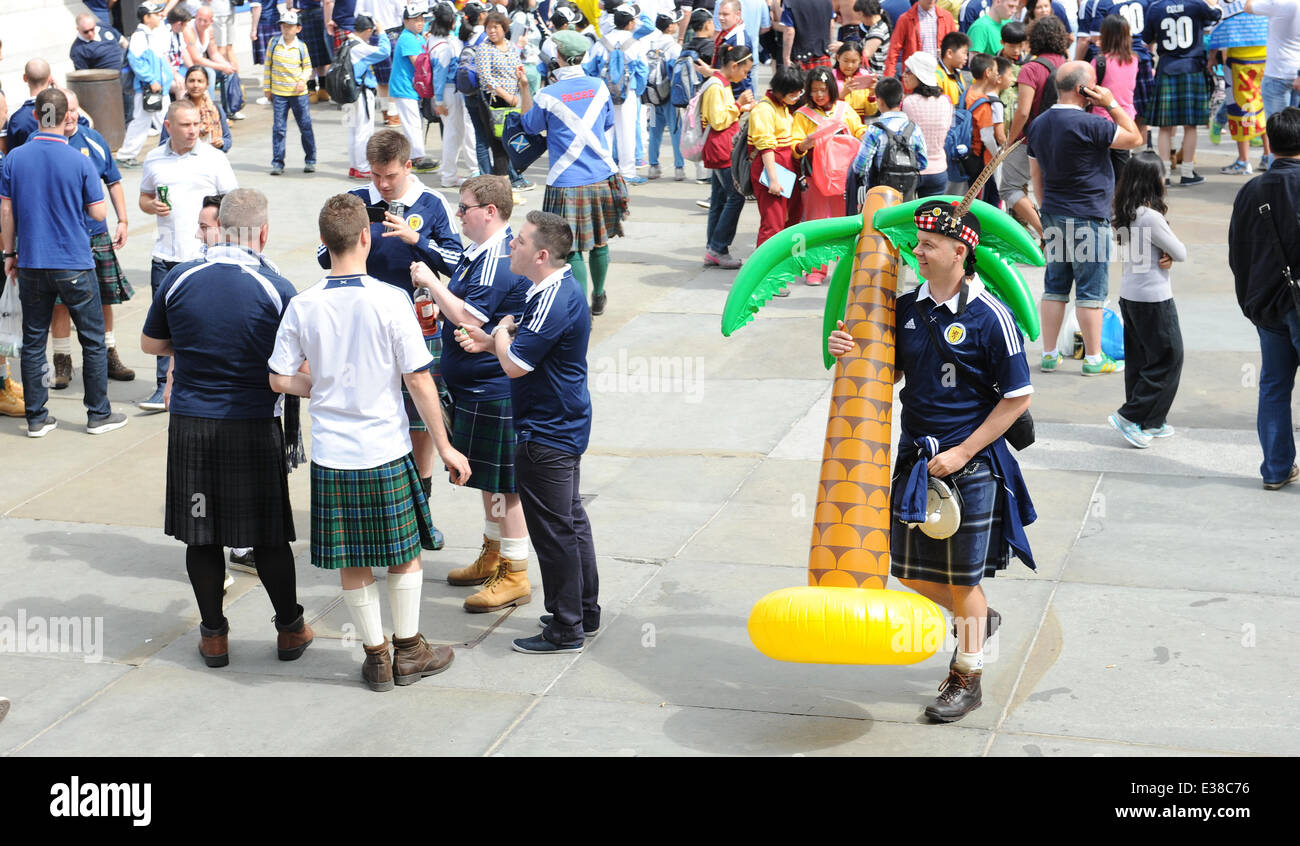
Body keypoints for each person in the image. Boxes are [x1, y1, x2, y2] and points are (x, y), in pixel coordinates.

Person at [828, 196, 1036, 723]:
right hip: (915, 460)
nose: (917, 253)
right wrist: (852, 349)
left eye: (929, 245)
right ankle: (978, 620)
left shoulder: (992, 317)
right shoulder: (907, 310)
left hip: (969, 463)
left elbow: (1018, 397)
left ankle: (967, 676)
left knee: (963, 582)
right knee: (906, 570)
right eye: (918, 244)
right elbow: (893, 374)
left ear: (961, 251)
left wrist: (964, 451)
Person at [270, 193, 470, 691]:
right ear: (366, 237)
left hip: (334, 455)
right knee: (404, 553)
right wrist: (445, 446)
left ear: (323, 242)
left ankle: (376, 657)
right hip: (385, 447)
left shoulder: (303, 304)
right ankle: (409, 651)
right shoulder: (390, 299)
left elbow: (277, 379)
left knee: (353, 559)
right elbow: (420, 380)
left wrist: (320, 386)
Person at [140, 189, 313, 668]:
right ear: (261, 232)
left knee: (203, 535)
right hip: (252, 425)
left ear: (220, 226)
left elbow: (151, 343)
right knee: (269, 536)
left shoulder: (179, 277)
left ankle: (214, 635)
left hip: (193, 424)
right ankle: (290, 629)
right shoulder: (276, 286)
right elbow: (293, 359)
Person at [454, 211, 598, 654]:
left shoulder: (555, 298)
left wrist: (496, 336)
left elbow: (515, 365)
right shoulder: (552, 288)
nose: (510, 247)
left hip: (546, 432)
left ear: (540, 254)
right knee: (571, 523)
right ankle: (584, 611)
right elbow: (527, 340)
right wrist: (494, 338)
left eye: (517, 242)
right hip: (561, 425)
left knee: (554, 533)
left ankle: (565, 626)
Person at [316, 128, 462, 544]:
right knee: (373, 408)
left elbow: (458, 261)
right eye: (376, 174)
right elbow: (323, 253)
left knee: (421, 418)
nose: (381, 183)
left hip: (421, 324)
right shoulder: (356, 203)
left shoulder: (432, 204)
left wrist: (419, 240)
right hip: (366, 326)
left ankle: (421, 509)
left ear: (408, 166)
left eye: (390, 175)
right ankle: (380, 505)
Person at [408, 175, 536, 614]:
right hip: (476, 386)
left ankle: (515, 573)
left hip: (494, 388)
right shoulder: (478, 253)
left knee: (506, 486)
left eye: (464, 207)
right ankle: (493, 552)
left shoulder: (497, 259)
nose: (459, 214)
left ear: (490, 212)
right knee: (487, 479)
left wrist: (431, 281)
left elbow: (467, 317)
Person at [0, 88, 127, 438]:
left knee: (33, 339)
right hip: (73, 261)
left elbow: (6, 210)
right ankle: (98, 414)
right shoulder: (79, 160)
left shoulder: (15, 158)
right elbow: (98, 211)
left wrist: (10, 253)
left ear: (38, 116)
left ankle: (37, 418)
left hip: (31, 262)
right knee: (92, 339)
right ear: (63, 115)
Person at [1027, 61, 1143, 375]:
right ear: (1083, 89)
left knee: (1055, 286)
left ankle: (1049, 353)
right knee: (1091, 291)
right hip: (1089, 216)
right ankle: (1094, 358)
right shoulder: (1093, 125)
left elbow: (1035, 174)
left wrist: (1044, 205)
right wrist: (1111, 103)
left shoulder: (1038, 124)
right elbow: (1135, 138)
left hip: (1053, 212)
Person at [517, 31, 630, 314]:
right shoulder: (599, 86)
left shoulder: (546, 95)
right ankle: (599, 295)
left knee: (573, 248)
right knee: (600, 241)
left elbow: (529, 126)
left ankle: (580, 305)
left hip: (566, 181)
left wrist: (524, 89)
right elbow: (605, 123)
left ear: (558, 57)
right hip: (603, 174)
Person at [139, 99, 240, 411]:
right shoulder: (154, 159)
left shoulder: (214, 159)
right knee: (163, 326)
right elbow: (144, 197)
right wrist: (151, 206)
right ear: (168, 126)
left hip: (203, 258)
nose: (194, 129)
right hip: (165, 257)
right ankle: (161, 387)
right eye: (186, 125)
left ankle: (204, 381)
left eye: (197, 123)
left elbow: (232, 203)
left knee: (206, 325)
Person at [1229, 106, 1300, 490]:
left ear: (1268, 142)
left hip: (1269, 307)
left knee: (1274, 386)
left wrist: (1252, 303)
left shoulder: (1251, 191)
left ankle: (1275, 469)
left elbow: (1237, 255)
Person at [48, 91, 136, 390]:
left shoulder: (93, 140)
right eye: (66, 111)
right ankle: (62, 361)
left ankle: (110, 353)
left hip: (95, 235)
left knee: (103, 298)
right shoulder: (47, 143)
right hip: (60, 239)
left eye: (74, 110)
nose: (70, 116)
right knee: (59, 304)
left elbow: (113, 181)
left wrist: (122, 220)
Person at [1107, 151, 1184, 448]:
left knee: (1140, 359)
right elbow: (1180, 251)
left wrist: (1163, 256)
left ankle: (1150, 420)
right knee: (1168, 358)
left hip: (1131, 294)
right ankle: (1130, 415)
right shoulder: (1151, 217)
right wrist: (1169, 256)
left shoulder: (1125, 211)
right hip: (1154, 298)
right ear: (1155, 180)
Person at [792, 66, 866, 283]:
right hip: (817, 177)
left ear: (832, 89)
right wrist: (806, 143)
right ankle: (816, 269)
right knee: (816, 223)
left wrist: (866, 135)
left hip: (843, 175)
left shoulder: (844, 109)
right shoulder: (803, 115)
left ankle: (845, 269)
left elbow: (859, 130)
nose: (819, 95)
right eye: (814, 90)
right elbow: (795, 148)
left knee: (845, 223)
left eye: (823, 89)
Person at [1142, 0, 1221, 186]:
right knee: (1190, 125)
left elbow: (1146, 40)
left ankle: (1164, 174)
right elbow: (1216, 15)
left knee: (1164, 126)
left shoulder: (1156, 7)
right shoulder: (1196, 4)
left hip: (1167, 67)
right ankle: (1187, 173)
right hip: (1192, 67)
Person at [699, 43, 754, 268]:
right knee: (736, 196)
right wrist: (739, 106)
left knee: (720, 198)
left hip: (721, 147)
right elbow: (718, 119)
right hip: (720, 148)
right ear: (733, 66)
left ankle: (713, 247)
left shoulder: (722, 83)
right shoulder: (716, 86)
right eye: (745, 71)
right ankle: (718, 247)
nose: (745, 75)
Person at [584, 4, 650, 183]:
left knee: (605, 131)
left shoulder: (601, 42)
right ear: (629, 23)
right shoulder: (635, 44)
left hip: (604, 92)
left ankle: (605, 170)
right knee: (627, 131)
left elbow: (589, 68)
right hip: (629, 91)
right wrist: (638, 90)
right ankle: (627, 172)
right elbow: (643, 70)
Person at [750, 64, 805, 259]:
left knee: (789, 221)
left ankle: (780, 268)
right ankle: (763, 277)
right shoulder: (764, 110)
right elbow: (766, 147)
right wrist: (773, 179)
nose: (797, 97)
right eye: (793, 93)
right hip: (772, 171)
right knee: (772, 225)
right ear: (781, 91)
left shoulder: (782, 106)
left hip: (787, 171)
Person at [1246, 0, 1300, 170]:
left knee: (1277, 136)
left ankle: (1275, 182)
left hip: (1277, 74)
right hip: (1295, 73)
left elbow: (1247, 7)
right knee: (1296, 133)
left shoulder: (1277, 3)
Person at [426, 4, 476, 187]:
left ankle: (449, 174)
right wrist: (438, 101)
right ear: (451, 21)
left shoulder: (434, 39)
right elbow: (439, 76)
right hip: (448, 92)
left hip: (446, 92)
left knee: (452, 132)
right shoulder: (445, 46)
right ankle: (448, 175)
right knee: (452, 134)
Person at [264, 10, 319, 175]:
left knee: (305, 127)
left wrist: (302, 80)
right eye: (283, 26)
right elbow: (268, 67)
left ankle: (310, 159)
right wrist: (267, 89)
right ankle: (278, 163)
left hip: (298, 95)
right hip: (279, 94)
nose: (286, 29)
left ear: (298, 29)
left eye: (290, 26)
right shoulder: (274, 44)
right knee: (279, 129)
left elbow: (307, 67)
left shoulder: (301, 47)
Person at [856, 75, 928, 193]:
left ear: (879, 101)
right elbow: (923, 163)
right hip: (906, 193)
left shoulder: (875, 129)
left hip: (881, 194)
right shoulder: (914, 129)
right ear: (902, 98)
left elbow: (860, 167)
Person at [342, 13, 392, 179]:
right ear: (368, 30)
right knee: (363, 131)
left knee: (351, 131)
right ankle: (362, 168)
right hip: (360, 93)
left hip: (346, 93)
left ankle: (354, 166)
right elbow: (385, 51)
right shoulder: (360, 47)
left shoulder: (346, 42)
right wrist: (382, 32)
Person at [391, 3, 440, 173]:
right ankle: (418, 158)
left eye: (421, 19)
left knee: (415, 122)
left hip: (410, 88)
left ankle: (414, 156)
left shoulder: (416, 36)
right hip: (404, 87)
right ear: (405, 21)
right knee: (412, 123)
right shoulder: (408, 38)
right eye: (415, 20)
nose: (419, 23)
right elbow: (419, 64)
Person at [1088, 14, 1137, 177]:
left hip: (1102, 121)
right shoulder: (1133, 60)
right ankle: (1122, 200)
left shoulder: (1099, 61)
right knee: (1121, 168)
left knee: (1100, 169)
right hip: (1125, 119)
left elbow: (1089, 88)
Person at [902, 51, 954, 197]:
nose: (904, 75)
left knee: (908, 217)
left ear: (918, 75)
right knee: (933, 216)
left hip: (912, 168)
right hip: (938, 169)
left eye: (908, 71)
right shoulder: (946, 101)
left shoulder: (908, 102)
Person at [645, 10, 686, 181]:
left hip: (652, 97)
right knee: (676, 130)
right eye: (676, 22)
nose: (677, 25)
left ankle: (653, 166)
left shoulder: (649, 44)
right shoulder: (674, 48)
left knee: (654, 130)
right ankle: (679, 168)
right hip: (670, 98)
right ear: (670, 27)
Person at [961, 52, 1005, 204]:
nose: (997, 74)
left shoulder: (967, 92)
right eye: (995, 71)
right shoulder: (983, 103)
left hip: (967, 156)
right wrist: (998, 156)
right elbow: (987, 137)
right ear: (988, 73)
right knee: (985, 202)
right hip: (981, 161)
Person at [163, 65, 233, 151]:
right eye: (191, 81)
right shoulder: (176, 111)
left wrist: (222, 143)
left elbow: (227, 139)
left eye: (200, 81)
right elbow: (163, 143)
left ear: (207, 85)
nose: (195, 85)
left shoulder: (215, 109)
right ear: (185, 84)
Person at [885, 0, 956, 77]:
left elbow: (956, 45)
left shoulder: (946, 17)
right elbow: (893, 50)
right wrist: (889, 78)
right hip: (916, 77)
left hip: (941, 76)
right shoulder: (905, 19)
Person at [1, 60, 53, 154]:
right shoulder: (60, 110)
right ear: (50, 78)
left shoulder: (17, 120)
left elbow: (11, 154)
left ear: (25, 78)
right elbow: (87, 122)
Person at [292, 0, 336, 102]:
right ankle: (323, 90)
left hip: (305, 13)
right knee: (320, 56)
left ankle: (312, 91)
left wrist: (291, 8)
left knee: (309, 55)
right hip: (318, 13)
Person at [714, 0, 758, 95]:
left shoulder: (739, 39)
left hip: (735, 95)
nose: (721, 18)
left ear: (738, 14)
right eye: (719, 14)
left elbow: (737, 74)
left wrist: (709, 72)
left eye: (725, 14)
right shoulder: (726, 34)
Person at [781, 0, 836, 70]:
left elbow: (789, 31)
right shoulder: (827, 1)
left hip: (801, 57)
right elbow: (831, 25)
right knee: (824, 80)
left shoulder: (789, 2)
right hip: (823, 55)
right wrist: (829, 47)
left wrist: (786, 58)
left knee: (802, 80)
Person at [834, 41, 879, 121]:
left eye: (854, 61)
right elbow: (828, 110)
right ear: (838, 58)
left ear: (860, 60)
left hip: (859, 126)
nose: (849, 66)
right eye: (846, 61)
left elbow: (870, 112)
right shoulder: (832, 77)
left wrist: (872, 94)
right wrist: (842, 95)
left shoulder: (864, 76)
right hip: (839, 124)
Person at [936, 30, 970, 105]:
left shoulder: (958, 74)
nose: (966, 58)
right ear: (949, 53)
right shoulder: (938, 76)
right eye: (964, 53)